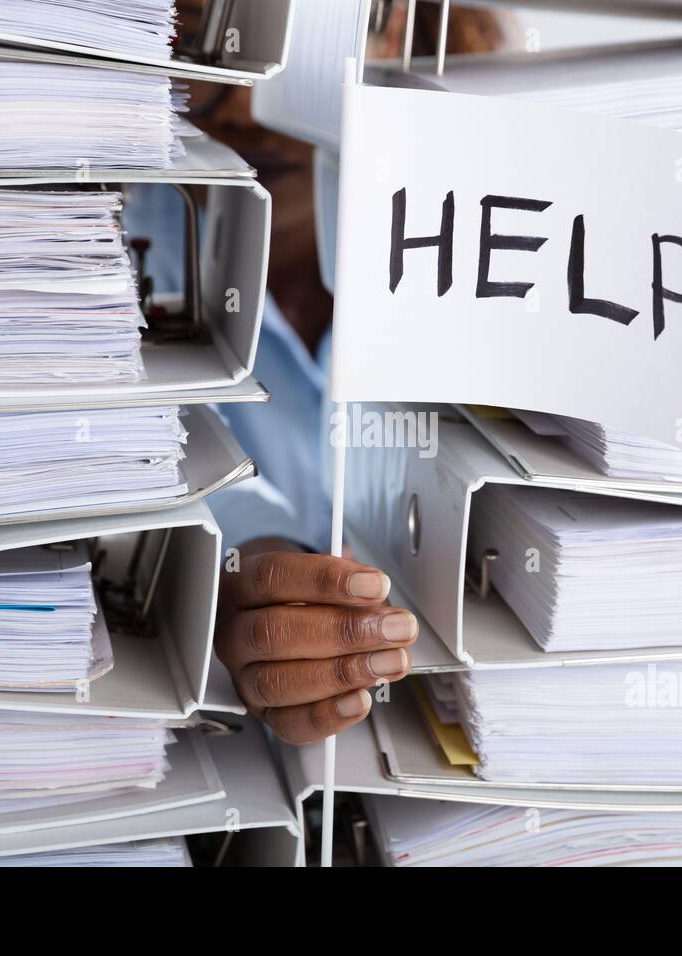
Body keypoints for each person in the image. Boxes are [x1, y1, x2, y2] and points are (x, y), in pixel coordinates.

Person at [155, 2, 511, 744]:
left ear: (409, 27)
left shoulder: (494, 221)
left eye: (351, 17)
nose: (261, 107)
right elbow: (159, 460)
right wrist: (225, 571)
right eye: (243, 22)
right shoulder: (97, 236)